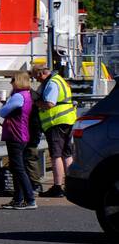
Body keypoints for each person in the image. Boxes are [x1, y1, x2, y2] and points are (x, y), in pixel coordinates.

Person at [32, 61, 76, 197]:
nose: (36, 80)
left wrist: (36, 102)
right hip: (68, 120)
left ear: (42, 73)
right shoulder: (60, 80)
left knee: (56, 155)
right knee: (67, 154)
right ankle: (71, 184)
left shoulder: (52, 83)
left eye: (37, 77)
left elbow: (50, 103)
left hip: (56, 121)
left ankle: (57, 187)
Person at [0, 71, 37, 210]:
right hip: (22, 134)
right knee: (17, 168)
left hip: (16, 135)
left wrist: (4, 103)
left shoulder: (19, 96)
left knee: (18, 169)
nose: (11, 82)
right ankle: (18, 199)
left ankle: (30, 199)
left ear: (19, 80)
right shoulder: (27, 95)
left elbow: (2, 113)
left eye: (13, 79)